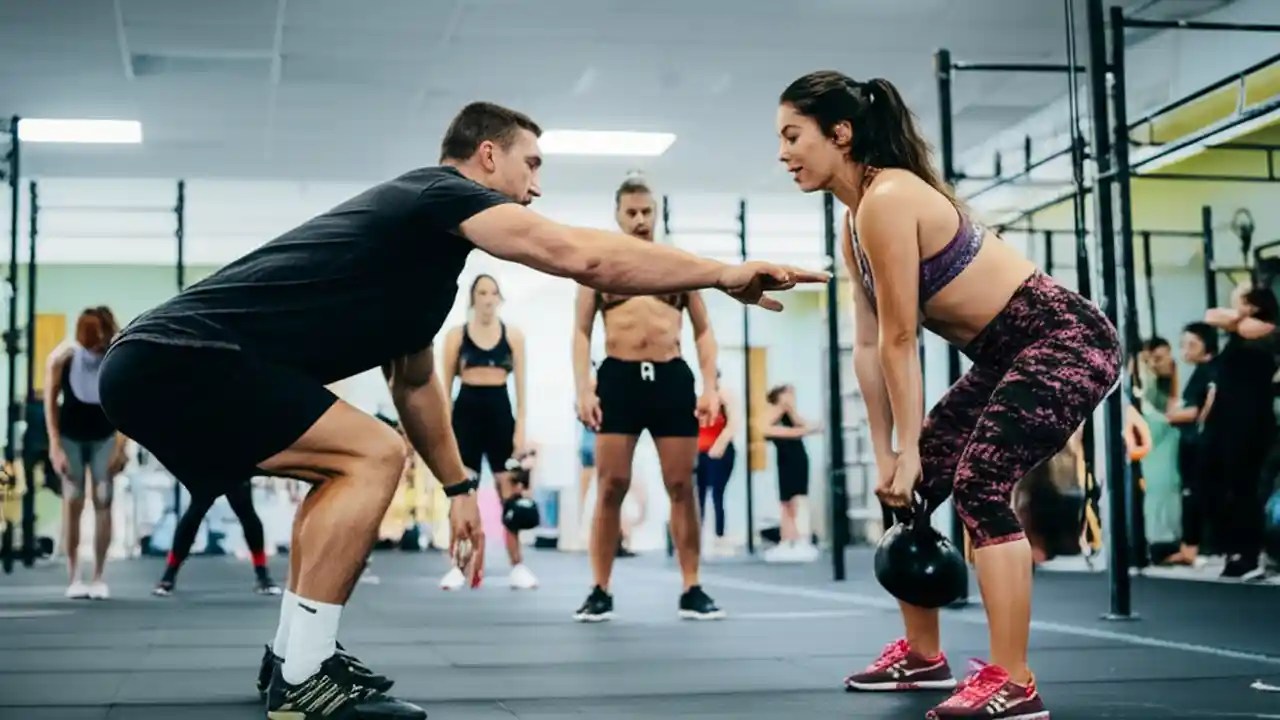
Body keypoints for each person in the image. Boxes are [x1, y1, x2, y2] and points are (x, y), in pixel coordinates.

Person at [97, 100, 825, 719]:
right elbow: (582, 258)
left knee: (356, 459)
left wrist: (457, 491)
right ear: (486, 158)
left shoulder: (423, 273)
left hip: (173, 366)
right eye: (531, 164)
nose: (537, 182)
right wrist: (724, 271)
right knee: (373, 454)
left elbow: (415, 385)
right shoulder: (436, 193)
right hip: (178, 356)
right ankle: (302, 677)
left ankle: (294, 657)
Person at [776, 71, 1120, 719]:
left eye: (794, 136)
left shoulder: (888, 199)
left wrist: (908, 446)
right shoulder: (853, 224)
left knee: (981, 484)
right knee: (912, 486)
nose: (783, 153)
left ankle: (1015, 682)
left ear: (840, 134)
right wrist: (889, 454)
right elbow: (869, 346)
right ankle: (923, 655)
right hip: (1004, 354)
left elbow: (903, 337)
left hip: (1066, 338)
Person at [571, 175, 729, 623]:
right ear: (617, 215)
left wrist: (711, 386)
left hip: (670, 379)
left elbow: (703, 328)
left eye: (647, 212)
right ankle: (600, 588)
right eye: (631, 213)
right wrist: (584, 385)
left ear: (656, 214)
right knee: (610, 485)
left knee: (682, 485)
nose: (640, 220)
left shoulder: (678, 262)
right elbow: (582, 330)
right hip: (618, 377)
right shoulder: (598, 264)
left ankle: (692, 587)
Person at [437, 274, 537, 591]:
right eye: (482, 292)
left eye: (493, 292)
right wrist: (443, 434)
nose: (488, 298)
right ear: (473, 298)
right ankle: (458, 565)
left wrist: (519, 433)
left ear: (499, 298)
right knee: (462, 494)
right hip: (465, 413)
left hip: (499, 413)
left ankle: (517, 565)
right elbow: (443, 388)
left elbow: (522, 395)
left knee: (509, 495)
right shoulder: (456, 336)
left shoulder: (514, 336)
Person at [45, 307, 128, 600]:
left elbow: (126, 405)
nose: (95, 347)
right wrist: (54, 446)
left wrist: (121, 447)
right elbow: (50, 403)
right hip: (71, 435)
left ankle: (98, 576)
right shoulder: (63, 359)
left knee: (104, 498)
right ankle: (74, 575)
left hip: (105, 435)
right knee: (74, 500)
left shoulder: (115, 356)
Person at [1202, 283, 1277, 578]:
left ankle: (1248, 552)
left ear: (1253, 305)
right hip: (1229, 419)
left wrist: (1238, 319)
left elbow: (1250, 327)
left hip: (1251, 420)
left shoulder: (1266, 330)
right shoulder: (1238, 325)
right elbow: (1212, 315)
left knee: (1246, 486)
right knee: (1223, 482)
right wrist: (1236, 316)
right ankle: (1233, 547)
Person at [152, 477, 283, 597]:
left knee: (245, 510)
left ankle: (263, 575)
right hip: (209, 464)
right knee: (196, 511)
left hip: (233, 462)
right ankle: (169, 575)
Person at [1164, 321, 1218, 567]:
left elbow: (1196, 411)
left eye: (1192, 344)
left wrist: (1168, 417)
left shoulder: (1209, 372)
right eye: (1183, 344)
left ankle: (1194, 548)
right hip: (1192, 445)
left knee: (1195, 495)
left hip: (1200, 446)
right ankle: (1190, 546)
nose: (1185, 349)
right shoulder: (1198, 372)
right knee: (1191, 495)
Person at [1133, 337, 1181, 563]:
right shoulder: (1143, 381)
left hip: (1162, 438)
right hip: (1155, 438)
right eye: (1155, 358)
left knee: (1166, 488)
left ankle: (1166, 539)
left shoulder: (1167, 377)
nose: (1160, 363)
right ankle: (1159, 540)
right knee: (1159, 488)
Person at [761, 383, 821, 562]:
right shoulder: (773, 413)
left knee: (797, 501)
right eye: (788, 394)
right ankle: (787, 540)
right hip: (784, 460)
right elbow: (765, 429)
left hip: (797, 459)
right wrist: (796, 431)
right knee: (785, 502)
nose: (791, 398)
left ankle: (801, 539)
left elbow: (808, 426)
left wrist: (795, 421)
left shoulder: (792, 416)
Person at [696, 372, 738, 556]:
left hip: (719, 452)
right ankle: (697, 538)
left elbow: (734, 423)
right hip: (700, 452)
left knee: (717, 494)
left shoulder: (724, 397)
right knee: (699, 495)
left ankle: (720, 537)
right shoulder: (699, 400)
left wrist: (720, 444)